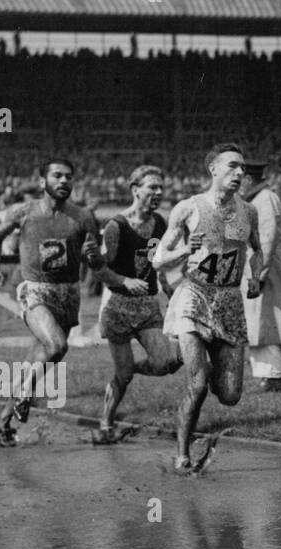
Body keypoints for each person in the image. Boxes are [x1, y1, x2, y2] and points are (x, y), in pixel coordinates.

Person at [0, 157, 122, 446]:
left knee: (41, 359)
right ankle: (25, 397)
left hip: (67, 293)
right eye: (57, 176)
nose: (64, 181)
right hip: (34, 290)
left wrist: (94, 255)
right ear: (42, 182)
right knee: (57, 345)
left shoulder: (84, 216)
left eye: (69, 177)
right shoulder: (23, 211)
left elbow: (96, 260)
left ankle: (4, 419)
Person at [153, 142, 264, 473]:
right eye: (232, 166)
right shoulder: (188, 208)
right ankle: (182, 453)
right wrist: (186, 250)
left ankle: (203, 364)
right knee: (198, 384)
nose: (240, 173)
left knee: (230, 396)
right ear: (213, 169)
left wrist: (255, 276)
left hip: (229, 302)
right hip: (194, 296)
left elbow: (257, 249)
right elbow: (158, 257)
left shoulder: (249, 211)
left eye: (242, 168)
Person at [93, 164, 180, 443]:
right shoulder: (116, 226)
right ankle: (106, 421)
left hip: (147, 307)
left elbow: (157, 260)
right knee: (124, 376)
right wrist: (124, 281)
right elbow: (100, 270)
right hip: (118, 305)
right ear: (135, 190)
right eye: (152, 187)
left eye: (161, 188)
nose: (158, 193)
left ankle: (129, 370)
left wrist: (166, 285)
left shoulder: (160, 223)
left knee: (166, 362)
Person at [241, 159, 281, 393]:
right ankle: (278, 375)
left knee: (268, 320)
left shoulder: (264, 200)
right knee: (270, 320)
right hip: (270, 265)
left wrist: (259, 274)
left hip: (268, 267)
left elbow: (267, 239)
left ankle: (274, 376)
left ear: (248, 179)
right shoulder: (260, 199)